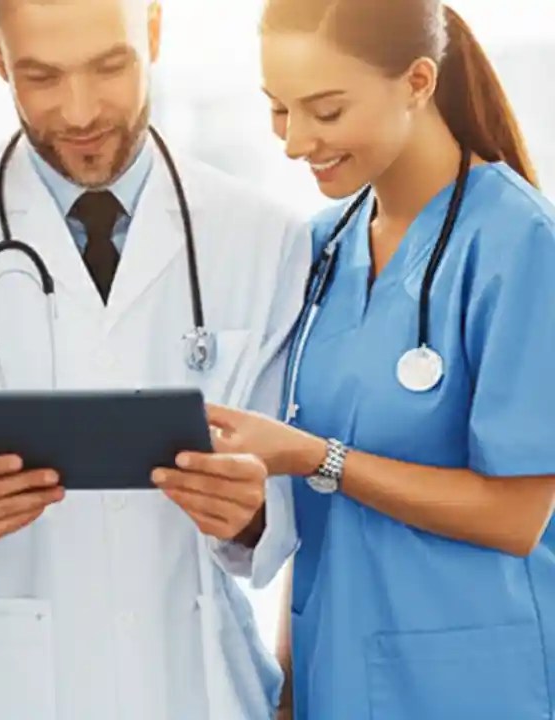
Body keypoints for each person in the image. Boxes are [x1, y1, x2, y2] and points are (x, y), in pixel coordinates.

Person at [0, 0, 312, 716]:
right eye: (41, 77)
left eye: (109, 67)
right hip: (10, 689)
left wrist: (253, 511)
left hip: (193, 681)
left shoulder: (262, 237)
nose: (79, 112)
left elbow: (292, 491)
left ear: (155, 33)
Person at [207, 1, 555, 718]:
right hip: (335, 670)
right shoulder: (319, 249)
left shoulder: (519, 243)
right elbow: (313, 517)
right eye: (278, 110)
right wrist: (288, 674)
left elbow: (519, 514)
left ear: (418, 81)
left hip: (477, 679)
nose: (296, 142)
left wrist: (315, 457)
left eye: (327, 111)